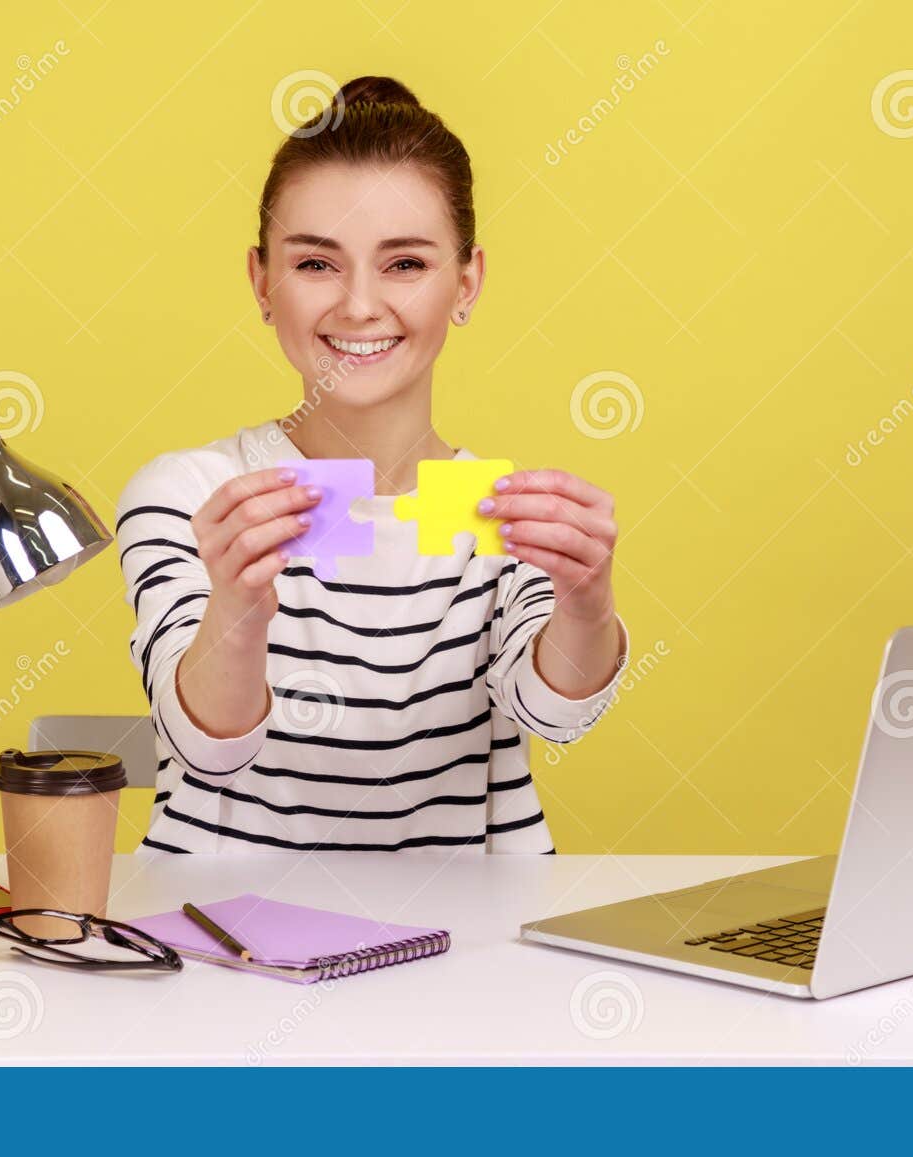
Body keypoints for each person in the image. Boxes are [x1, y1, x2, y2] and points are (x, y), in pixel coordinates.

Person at [118, 75, 630, 854]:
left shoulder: (494, 505)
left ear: (467, 283)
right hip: (220, 948)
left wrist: (587, 603)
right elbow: (210, 745)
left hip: (466, 954)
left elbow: (551, 712)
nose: (359, 305)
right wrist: (240, 609)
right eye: (317, 264)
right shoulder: (194, 493)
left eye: (405, 264)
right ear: (262, 282)